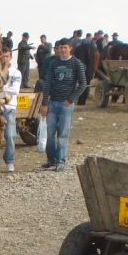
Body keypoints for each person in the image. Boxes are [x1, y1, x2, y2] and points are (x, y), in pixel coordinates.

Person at [39, 39, 86, 171]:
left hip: (66, 105)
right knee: (49, 132)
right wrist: (45, 103)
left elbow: (82, 84)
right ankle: (51, 159)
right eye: (60, 48)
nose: (62, 50)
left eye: (65, 47)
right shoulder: (54, 63)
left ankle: (61, 161)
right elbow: (47, 83)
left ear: (70, 48)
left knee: (63, 134)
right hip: (52, 103)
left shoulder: (76, 63)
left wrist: (71, 99)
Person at [0, 61, 21, 173]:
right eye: (2, 56)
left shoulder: (16, 73)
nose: (4, 59)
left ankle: (9, 161)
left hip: (10, 108)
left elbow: (15, 90)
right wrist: (5, 91)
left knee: (10, 136)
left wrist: (1, 90)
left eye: (7, 56)